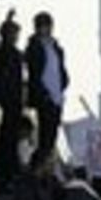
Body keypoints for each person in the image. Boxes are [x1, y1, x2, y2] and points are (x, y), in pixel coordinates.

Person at [25, 12, 69, 171]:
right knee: (45, 136)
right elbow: (34, 74)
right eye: (43, 25)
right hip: (45, 97)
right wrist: (43, 94)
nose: (47, 29)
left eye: (48, 25)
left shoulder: (56, 47)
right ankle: (37, 169)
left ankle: (46, 169)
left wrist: (64, 83)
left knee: (52, 137)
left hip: (57, 97)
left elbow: (60, 70)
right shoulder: (34, 47)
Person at [0, 10, 26, 179]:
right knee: (7, 134)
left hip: (15, 97)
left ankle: (11, 165)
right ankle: (5, 168)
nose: (16, 37)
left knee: (13, 134)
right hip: (8, 98)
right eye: (14, 34)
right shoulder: (5, 52)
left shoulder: (15, 53)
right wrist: (8, 19)